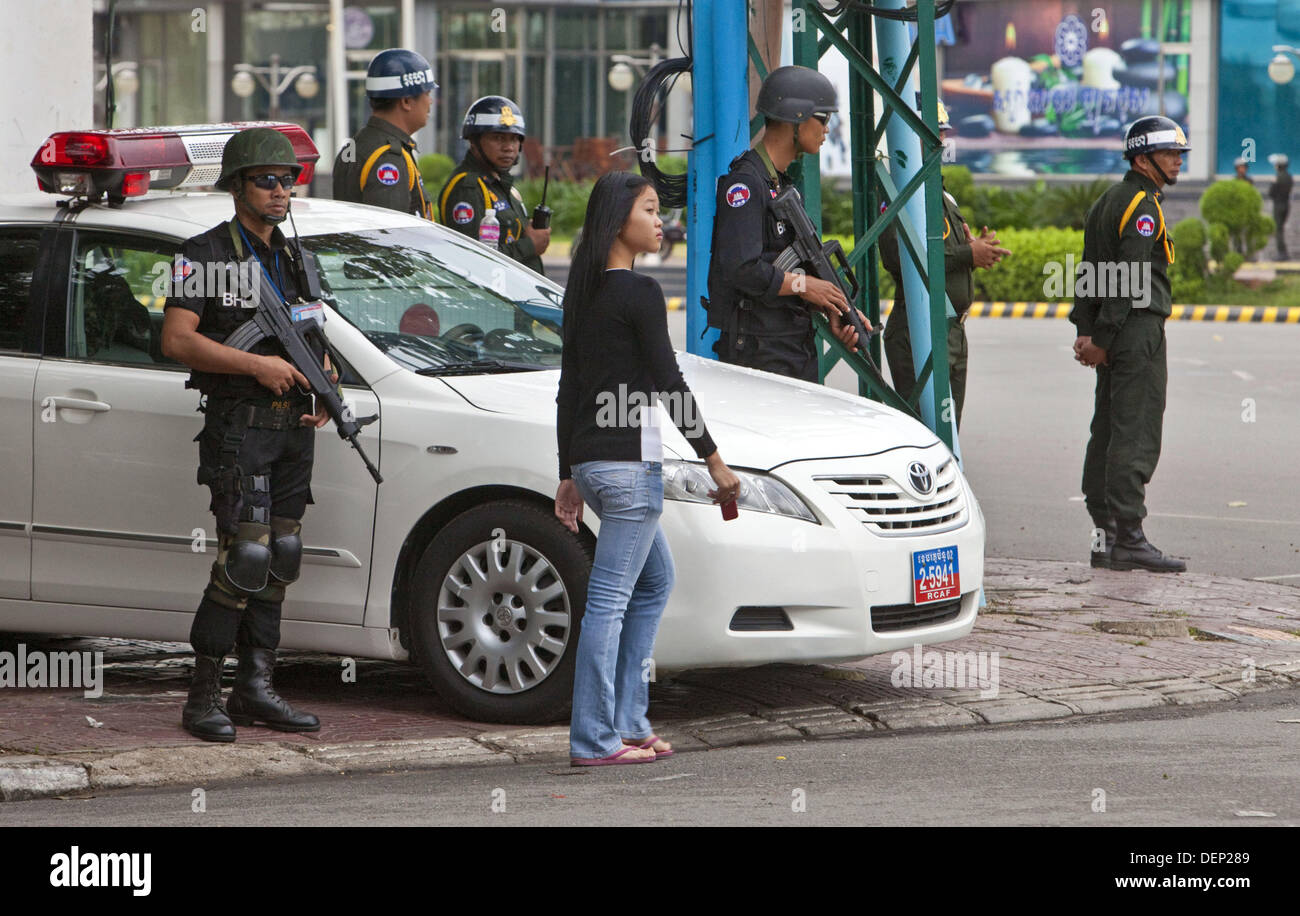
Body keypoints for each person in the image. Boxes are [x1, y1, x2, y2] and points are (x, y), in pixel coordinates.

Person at [555, 171, 739, 766]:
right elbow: (669, 383)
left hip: (592, 465)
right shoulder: (639, 292)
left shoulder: (582, 294)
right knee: (608, 603)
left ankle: (630, 722)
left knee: (654, 582)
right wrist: (715, 461)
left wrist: (568, 474)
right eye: (652, 210)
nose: (661, 221)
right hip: (629, 470)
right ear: (618, 223)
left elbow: (569, 391)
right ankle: (594, 739)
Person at [162, 127, 334, 740]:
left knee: (281, 559)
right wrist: (256, 365)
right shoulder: (202, 255)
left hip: (293, 433)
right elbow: (177, 340)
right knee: (246, 558)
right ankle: (202, 695)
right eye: (267, 180)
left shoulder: (293, 256)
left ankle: (256, 690)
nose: (281, 190)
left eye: (288, 180)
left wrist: (323, 382)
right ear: (237, 187)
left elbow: (312, 331)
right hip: (241, 430)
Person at [1070, 115, 1188, 573]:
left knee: (1107, 430)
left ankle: (1105, 537)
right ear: (1143, 159)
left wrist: (1085, 329)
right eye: (1169, 154)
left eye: (1179, 154)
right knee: (1134, 431)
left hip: (1113, 332)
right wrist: (1101, 337)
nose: (1177, 161)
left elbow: (1088, 273)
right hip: (1134, 333)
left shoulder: (1106, 201)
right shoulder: (1142, 206)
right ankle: (1129, 538)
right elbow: (1128, 280)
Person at [706, 65, 866, 382]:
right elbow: (742, 267)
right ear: (796, 118)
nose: (827, 130)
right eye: (822, 119)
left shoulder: (779, 184)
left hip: (789, 345)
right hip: (758, 351)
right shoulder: (745, 185)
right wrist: (805, 286)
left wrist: (831, 306)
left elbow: (789, 268)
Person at [879, 100, 1009, 429]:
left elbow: (941, 250)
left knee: (948, 436)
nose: (940, 142)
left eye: (941, 134)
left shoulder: (939, 192)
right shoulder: (902, 191)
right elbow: (899, 257)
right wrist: (968, 254)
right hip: (918, 328)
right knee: (926, 433)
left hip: (952, 329)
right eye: (932, 134)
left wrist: (973, 250)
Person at [438, 95, 549, 274]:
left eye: (514, 139)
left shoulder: (500, 184)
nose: (509, 147)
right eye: (498, 138)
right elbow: (472, 259)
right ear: (474, 142)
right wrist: (529, 245)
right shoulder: (467, 188)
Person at [333, 48, 437, 219]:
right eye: (427, 93)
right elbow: (390, 236)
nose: (430, 101)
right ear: (406, 101)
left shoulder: (356, 144)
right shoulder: (388, 156)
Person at [1269, 153, 1292, 260]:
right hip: (1286, 204)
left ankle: (1282, 252)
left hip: (1278, 204)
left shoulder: (1277, 177)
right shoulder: (1289, 177)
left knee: (1278, 229)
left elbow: (1271, 192)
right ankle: (1283, 252)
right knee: (1281, 227)